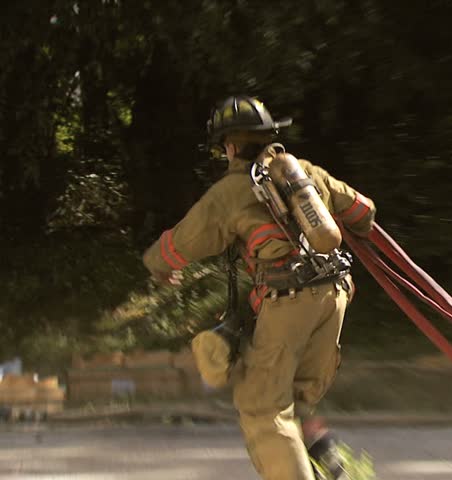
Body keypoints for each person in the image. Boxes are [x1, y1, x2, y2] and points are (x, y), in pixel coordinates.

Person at [142, 95, 375, 479]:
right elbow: (362, 211)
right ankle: (331, 469)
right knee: (295, 400)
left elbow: (182, 241)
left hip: (289, 298)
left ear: (230, 145)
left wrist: (157, 265)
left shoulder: (231, 191)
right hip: (335, 294)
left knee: (262, 409)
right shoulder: (304, 171)